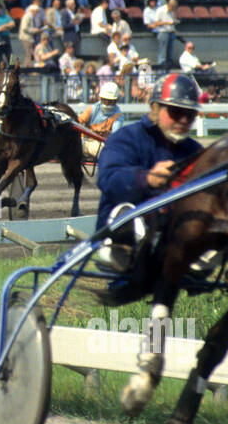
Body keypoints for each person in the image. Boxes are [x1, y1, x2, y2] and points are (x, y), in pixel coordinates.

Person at [91, 73, 204, 274]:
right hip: (125, 232)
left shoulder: (194, 151)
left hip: (173, 233)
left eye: (190, 114)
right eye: (176, 112)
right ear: (155, 108)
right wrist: (147, 179)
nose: (184, 120)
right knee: (126, 213)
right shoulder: (125, 138)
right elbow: (108, 180)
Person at [78, 80, 124, 161]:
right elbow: (79, 122)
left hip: (101, 144)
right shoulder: (93, 108)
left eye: (110, 100)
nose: (106, 103)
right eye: (104, 99)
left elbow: (114, 136)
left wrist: (106, 134)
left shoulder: (118, 116)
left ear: (116, 101)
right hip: (84, 141)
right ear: (100, 98)